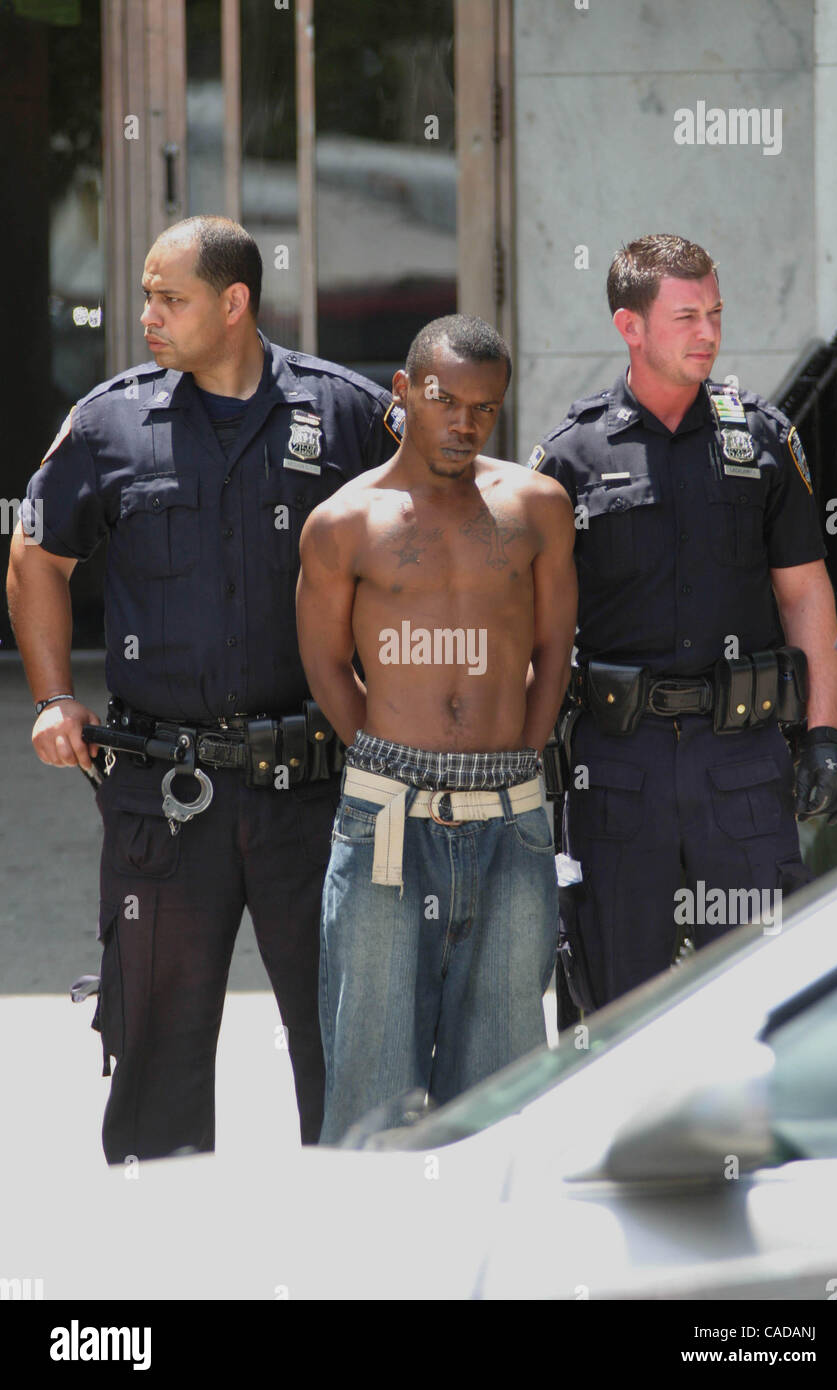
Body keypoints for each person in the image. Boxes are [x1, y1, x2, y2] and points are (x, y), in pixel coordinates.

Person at [7, 215, 403, 1162]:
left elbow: (435, 547)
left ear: (235, 304)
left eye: (169, 297)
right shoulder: (110, 421)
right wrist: (54, 697)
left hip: (315, 787)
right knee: (155, 1044)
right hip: (164, 793)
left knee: (345, 1040)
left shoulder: (344, 414)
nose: (147, 314)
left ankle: (357, 1253)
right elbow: (35, 558)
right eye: (145, 293)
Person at [527, 234, 837, 1018]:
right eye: (685, 316)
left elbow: (806, 596)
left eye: (714, 313)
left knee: (765, 999)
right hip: (615, 769)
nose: (707, 332)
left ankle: (757, 1148)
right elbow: (536, 623)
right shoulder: (570, 457)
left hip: (740, 763)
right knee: (612, 1004)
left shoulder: (764, 442)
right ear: (629, 327)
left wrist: (823, 735)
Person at [296, 314, 577, 1143]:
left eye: (483, 408)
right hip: (387, 811)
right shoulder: (345, 520)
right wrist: (385, 757)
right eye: (444, 399)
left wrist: (521, 756)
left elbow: (555, 649)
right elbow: (324, 666)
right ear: (404, 393)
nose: (462, 421)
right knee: (373, 1075)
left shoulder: (536, 506)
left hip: (511, 813)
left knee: (503, 1075)